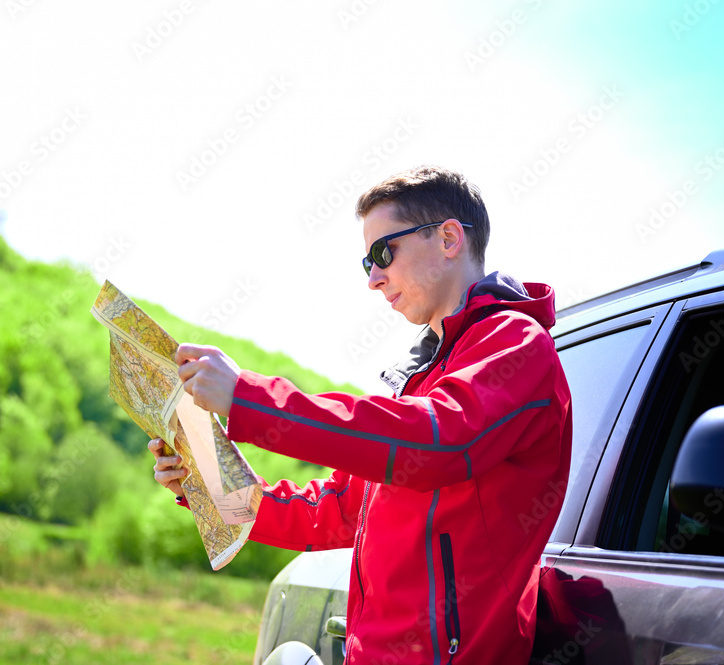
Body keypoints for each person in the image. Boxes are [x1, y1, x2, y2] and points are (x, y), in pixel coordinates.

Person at [149, 165, 572, 664]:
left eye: (382, 253)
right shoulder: (423, 374)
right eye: (366, 262)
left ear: (449, 238)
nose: (373, 279)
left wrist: (247, 397)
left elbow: (435, 440)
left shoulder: (516, 345)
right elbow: (333, 510)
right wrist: (208, 486)